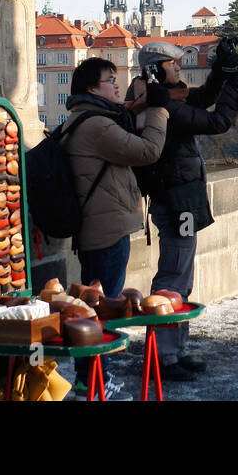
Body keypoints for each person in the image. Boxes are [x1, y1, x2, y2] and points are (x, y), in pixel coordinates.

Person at [128, 39, 238, 382]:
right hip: (175, 197)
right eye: (172, 63)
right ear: (154, 69)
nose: (179, 67)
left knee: (181, 276)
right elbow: (216, 121)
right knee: (173, 276)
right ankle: (163, 358)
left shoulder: (162, 96)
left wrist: (221, 71)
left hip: (181, 196)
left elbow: (203, 99)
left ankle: (174, 351)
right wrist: (235, 84)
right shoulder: (159, 105)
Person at [62, 56, 170, 400]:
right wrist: (158, 110)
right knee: (101, 312)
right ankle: (94, 384)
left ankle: (89, 381)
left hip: (96, 227)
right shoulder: (96, 126)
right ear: (92, 88)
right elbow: (148, 151)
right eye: (110, 79)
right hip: (106, 230)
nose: (116, 85)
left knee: (91, 309)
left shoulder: (82, 119)